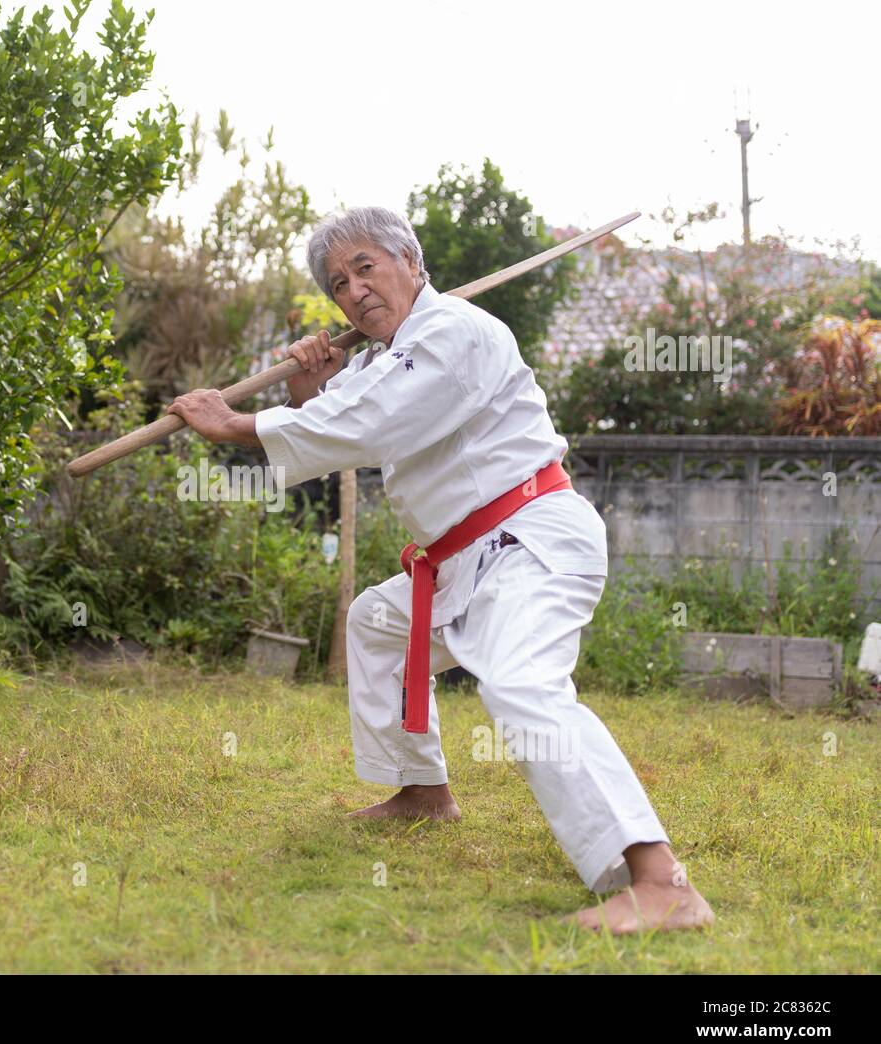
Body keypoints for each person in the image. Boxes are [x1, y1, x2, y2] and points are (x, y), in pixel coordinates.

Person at [167, 206, 714, 934]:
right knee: (376, 622)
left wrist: (235, 423)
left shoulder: (456, 331)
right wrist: (312, 389)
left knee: (520, 682)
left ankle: (660, 880)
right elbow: (353, 419)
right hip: (463, 561)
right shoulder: (385, 359)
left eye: (367, 267)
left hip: (528, 540)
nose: (354, 290)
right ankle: (424, 790)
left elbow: (371, 423)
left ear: (411, 262)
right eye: (339, 282)